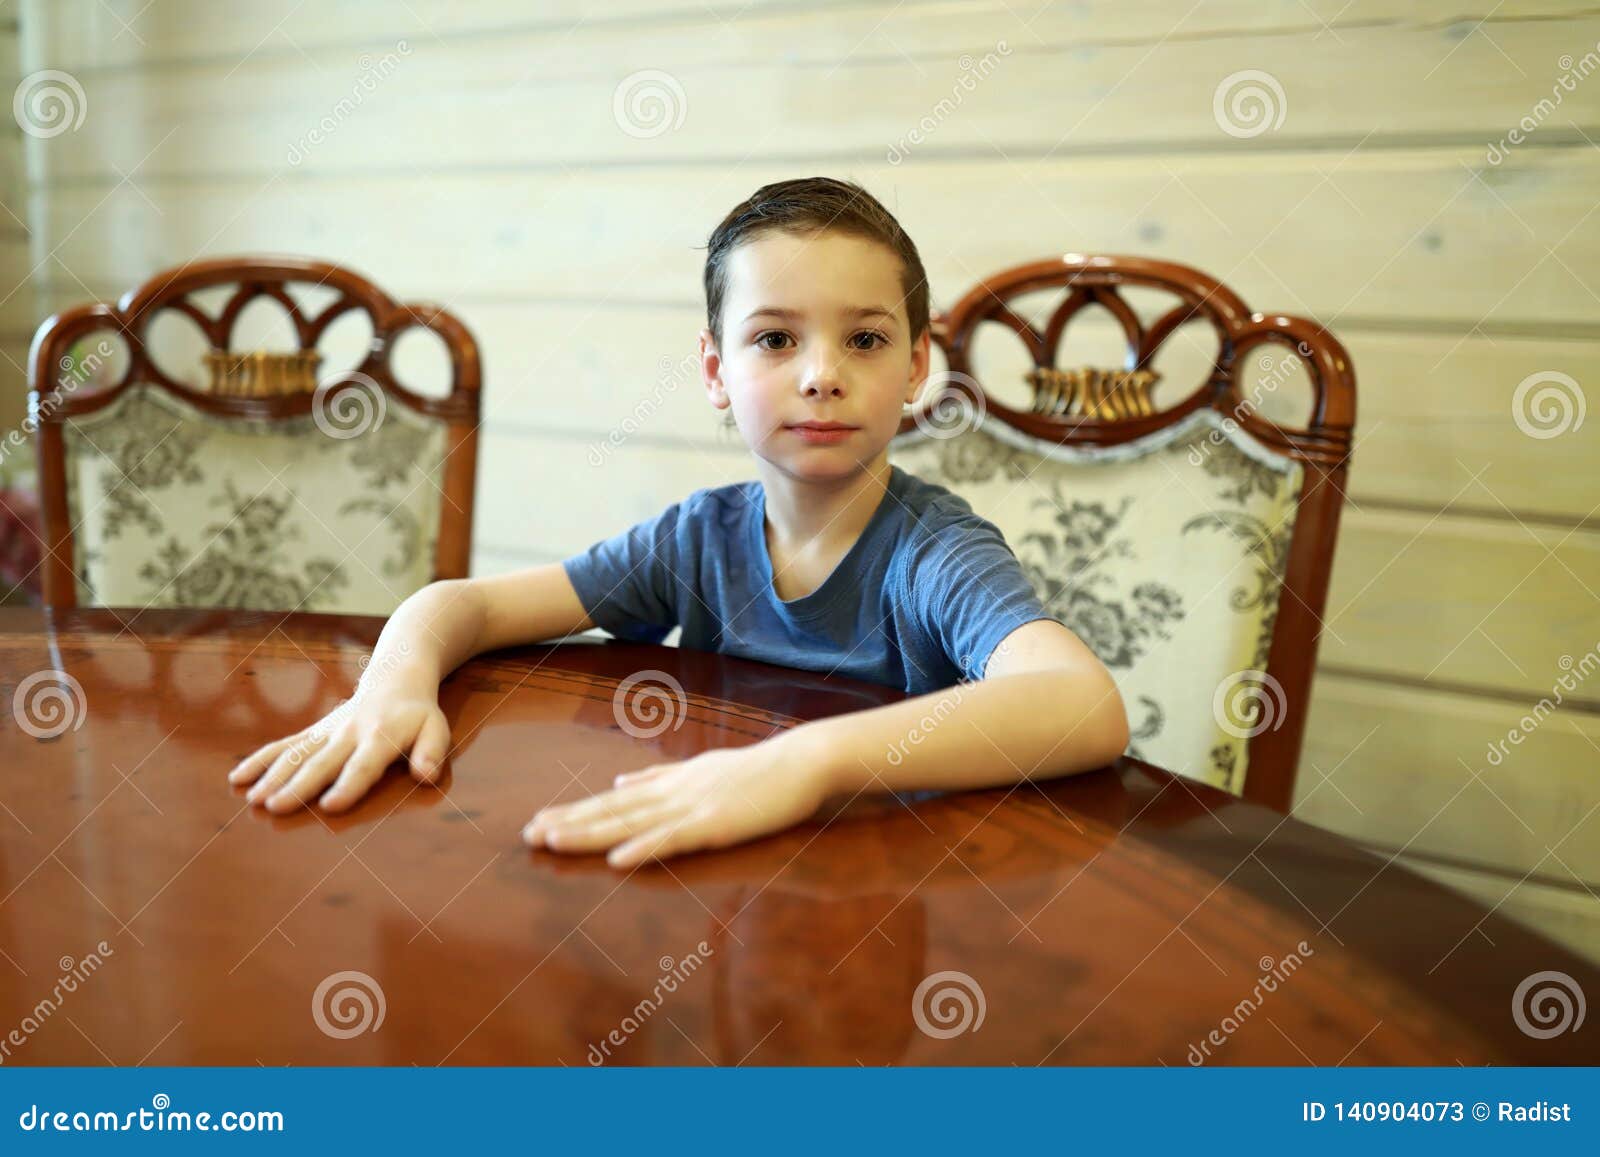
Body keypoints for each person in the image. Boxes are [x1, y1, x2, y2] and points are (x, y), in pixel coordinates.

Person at [227, 176, 1130, 868]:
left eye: (864, 339)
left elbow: (1082, 705)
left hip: (885, 872)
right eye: (775, 338)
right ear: (714, 370)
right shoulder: (695, 541)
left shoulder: (932, 553)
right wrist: (392, 685)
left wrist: (803, 761)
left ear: (917, 366)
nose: (821, 373)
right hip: (709, 863)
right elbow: (466, 606)